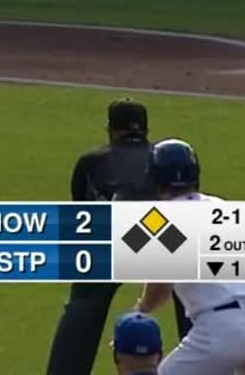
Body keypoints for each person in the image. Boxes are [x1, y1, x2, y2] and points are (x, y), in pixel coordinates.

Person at [132, 138, 245, 374]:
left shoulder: (159, 218)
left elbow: (160, 289)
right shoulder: (225, 210)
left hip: (220, 329)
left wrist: (140, 311)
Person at [44, 99, 160, 375]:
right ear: (147, 129)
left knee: (84, 300)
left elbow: (80, 219)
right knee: (193, 297)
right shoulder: (163, 157)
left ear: (110, 130)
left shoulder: (92, 161)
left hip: (112, 238)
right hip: (163, 237)